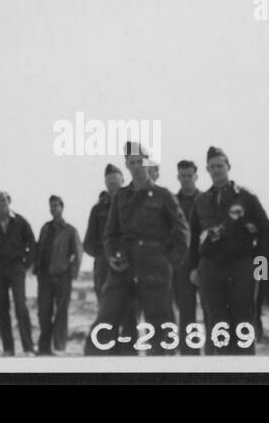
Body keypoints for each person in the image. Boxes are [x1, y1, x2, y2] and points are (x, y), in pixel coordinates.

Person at [85, 143, 189, 356]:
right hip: (123, 268)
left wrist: (168, 262)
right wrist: (113, 256)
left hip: (154, 269)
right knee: (104, 323)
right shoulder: (121, 197)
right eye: (131, 163)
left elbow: (183, 233)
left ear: (147, 162)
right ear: (127, 165)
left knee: (160, 329)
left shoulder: (163, 195)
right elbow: (110, 235)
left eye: (139, 162)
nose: (136, 167)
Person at [189, 146, 269, 356]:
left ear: (228, 167)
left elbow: (266, 233)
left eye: (220, 165)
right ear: (207, 170)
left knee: (243, 326)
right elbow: (192, 239)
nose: (217, 170)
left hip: (242, 268)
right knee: (218, 326)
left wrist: (260, 271)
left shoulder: (246, 197)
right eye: (212, 167)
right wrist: (193, 268)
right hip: (211, 270)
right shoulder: (200, 201)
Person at [0, 191, 36, 355]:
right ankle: (8, 348)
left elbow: (32, 242)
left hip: (16, 269)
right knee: (1, 309)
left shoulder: (20, 221)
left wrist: (27, 263)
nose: (1, 203)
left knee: (21, 307)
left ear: (9, 201)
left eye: (4, 200)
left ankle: (28, 348)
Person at [33, 195, 81, 354]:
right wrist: (37, 270)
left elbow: (78, 254)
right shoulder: (45, 228)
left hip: (62, 277)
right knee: (44, 312)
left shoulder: (70, 230)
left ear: (62, 207)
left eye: (56, 206)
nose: (53, 209)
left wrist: (71, 273)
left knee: (61, 313)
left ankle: (59, 346)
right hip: (45, 277)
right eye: (51, 206)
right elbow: (39, 249)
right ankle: (44, 347)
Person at [172, 159, 202, 354]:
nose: (186, 179)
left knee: (211, 310)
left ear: (196, 176)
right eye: (182, 176)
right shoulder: (172, 202)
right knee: (186, 313)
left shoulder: (206, 199)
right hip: (182, 264)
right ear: (178, 177)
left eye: (189, 176)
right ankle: (189, 357)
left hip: (205, 261)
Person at [83, 164, 123, 299]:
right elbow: (88, 243)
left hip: (128, 262)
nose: (112, 182)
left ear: (122, 181)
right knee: (105, 308)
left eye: (115, 178)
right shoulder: (98, 209)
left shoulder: (132, 204)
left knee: (130, 310)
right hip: (104, 267)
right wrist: (104, 254)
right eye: (109, 179)